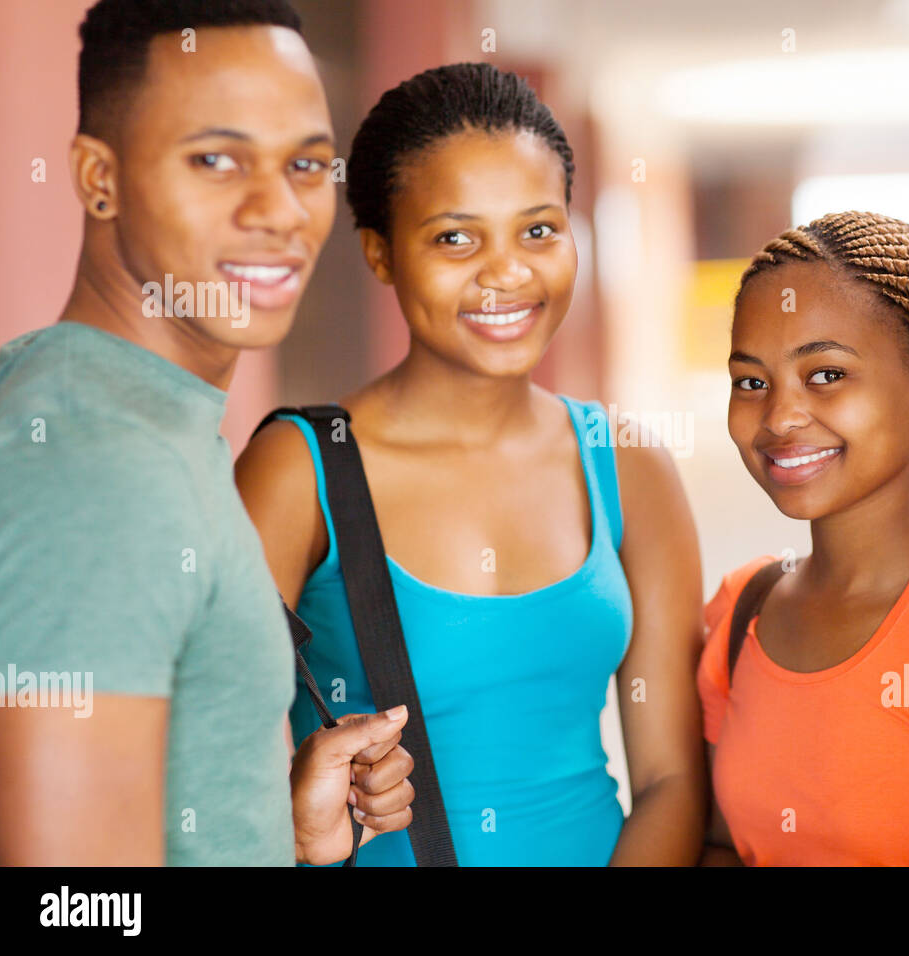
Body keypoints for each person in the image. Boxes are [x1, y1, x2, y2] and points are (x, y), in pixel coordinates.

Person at [234, 63, 706, 866]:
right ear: (380, 254)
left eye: (539, 229)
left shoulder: (626, 465)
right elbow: (207, 768)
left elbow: (669, 778)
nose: (507, 273)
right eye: (456, 237)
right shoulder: (300, 470)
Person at [0, 0, 416, 866]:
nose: (278, 209)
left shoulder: (118, 405)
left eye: (306, 164)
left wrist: (272, 823)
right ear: (97, 178)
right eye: (215, 159)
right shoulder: (98, 460)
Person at [698, 211, 909, 866]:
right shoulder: (741, 612)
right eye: (751, 382)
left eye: (825, 374)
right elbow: (718, 847)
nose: (781, 417)